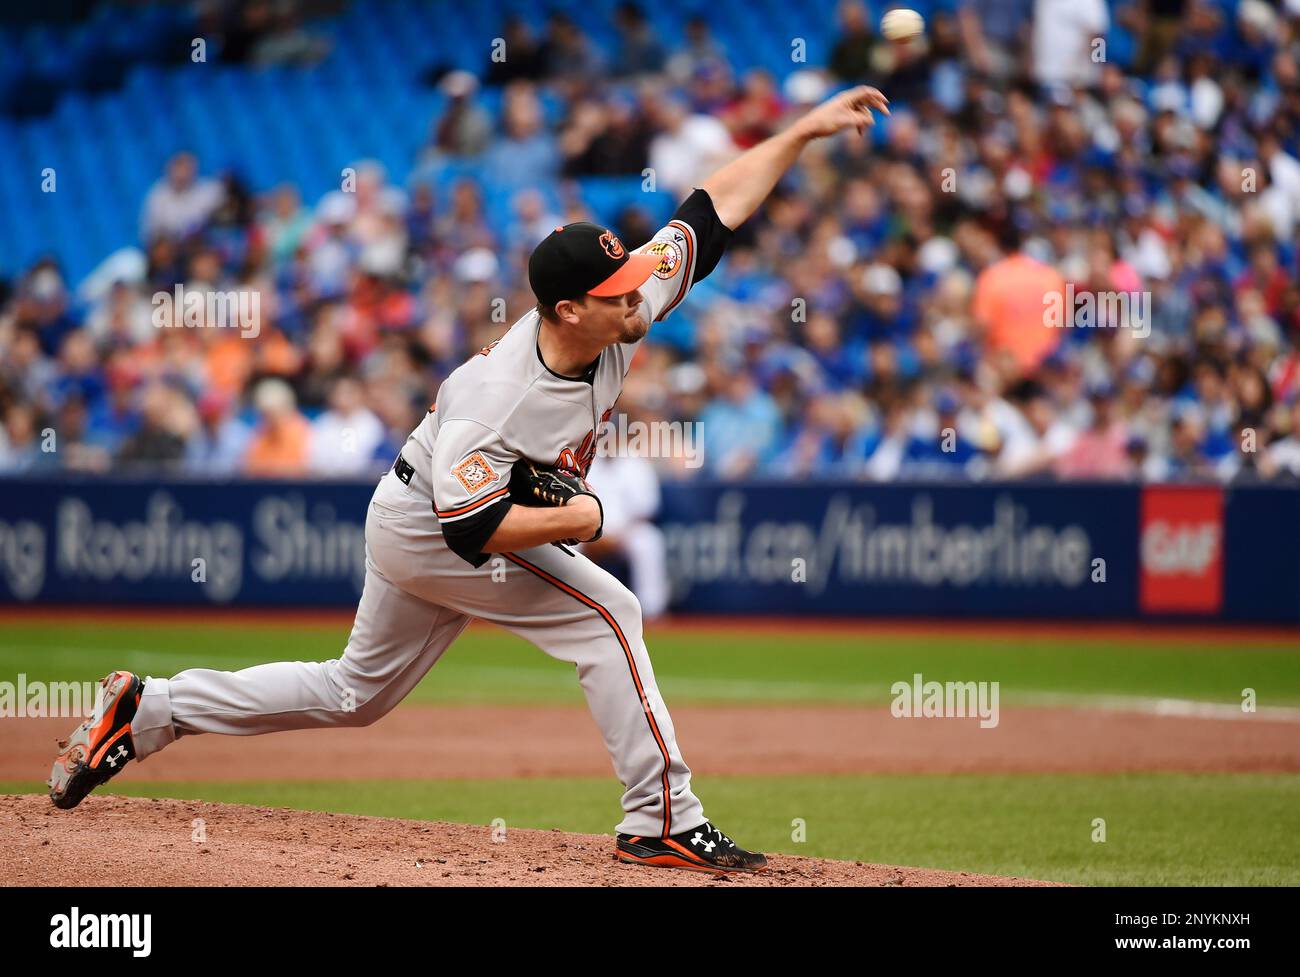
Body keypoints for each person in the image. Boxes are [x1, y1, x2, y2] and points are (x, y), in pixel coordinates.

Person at [48, 86, 891, 875]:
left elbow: (711, 212)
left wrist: (800, 131)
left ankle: (150, 708)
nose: (637, 298)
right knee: (611, 612)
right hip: (435, 522)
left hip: (422, 507)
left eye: (631, 281)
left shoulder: (618, 311)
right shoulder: (502, 395)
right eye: (615, 292)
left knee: (354, 692)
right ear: (567, 310)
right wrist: (582, 516)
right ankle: (660, 816)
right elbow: (470, 530)